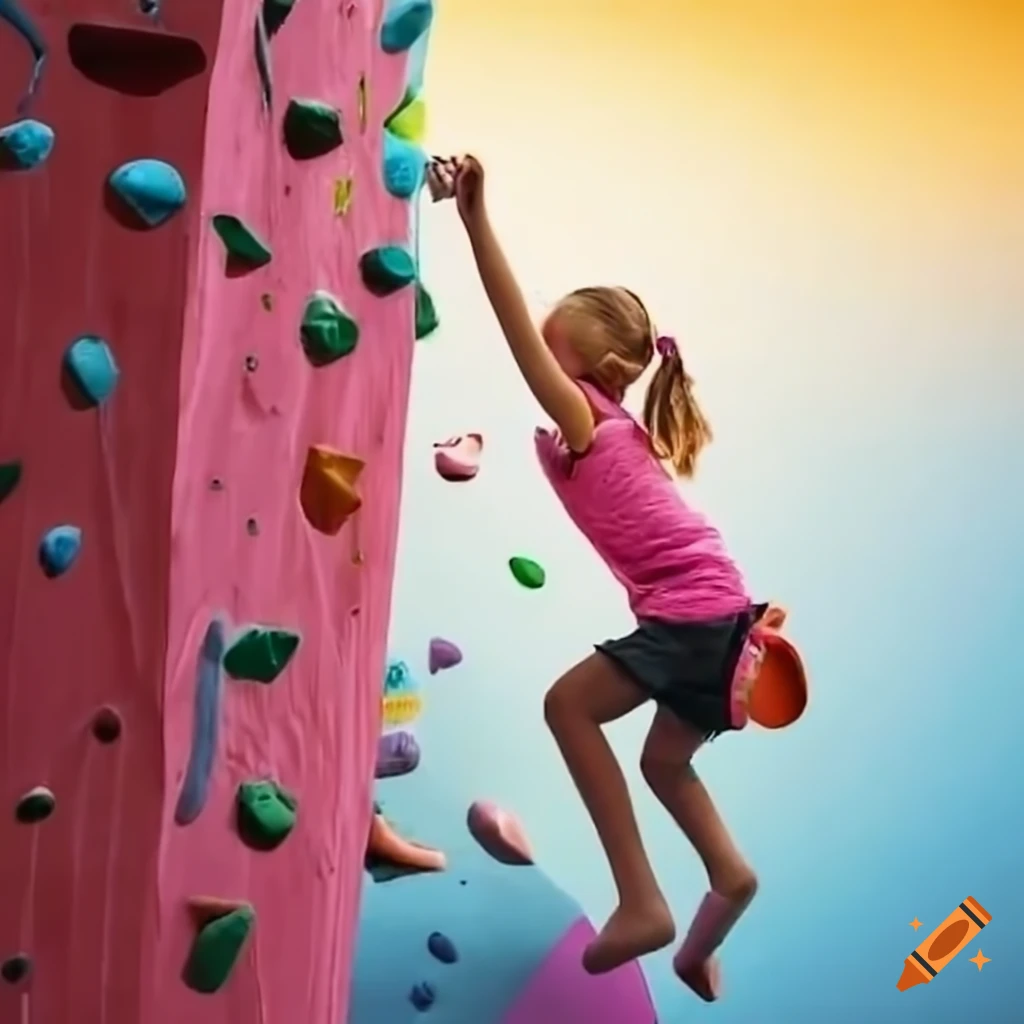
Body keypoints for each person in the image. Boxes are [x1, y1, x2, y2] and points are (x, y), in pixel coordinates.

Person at [426, 155, 765, 1001]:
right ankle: (724, 886)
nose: (541, 342)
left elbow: (513, 329)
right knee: (664, 765)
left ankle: (644, 901)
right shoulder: (612, 422)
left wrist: (476, 222)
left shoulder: (586, 419)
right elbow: (540, 328)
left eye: (554, 337)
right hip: (721, 614)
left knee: (566, 706)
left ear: (584, 360)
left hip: (693, 611)